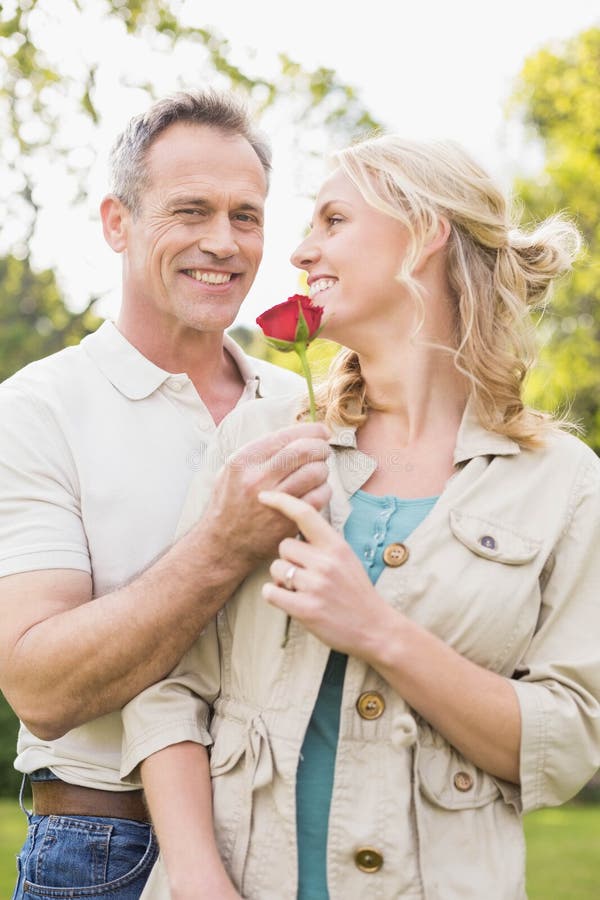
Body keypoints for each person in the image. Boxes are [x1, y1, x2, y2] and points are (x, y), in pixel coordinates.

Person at [122, 132, 600, 900]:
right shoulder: (259, 441)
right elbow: (167, 683)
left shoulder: (565, 483)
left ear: (425, 233)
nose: (301, 252)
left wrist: (377, 629)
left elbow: (569, 742)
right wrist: (199, 882)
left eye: (333, 220)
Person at [0, 89, 332, 900]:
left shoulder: (307, 408)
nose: (223, 243)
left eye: (246, 217)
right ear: (117, 222)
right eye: (190, 211)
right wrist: (222, 544)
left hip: (297, 835)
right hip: (104, 850)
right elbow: (40, 689)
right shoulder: (36, 410)